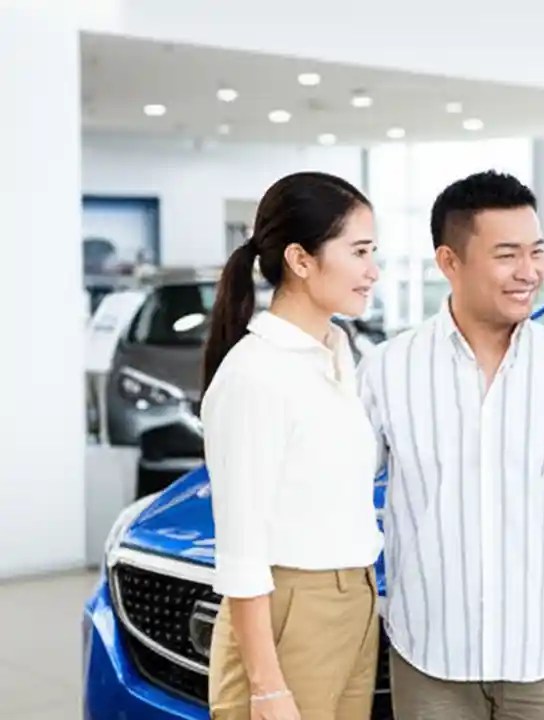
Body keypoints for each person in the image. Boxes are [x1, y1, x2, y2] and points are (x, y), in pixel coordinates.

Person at [357, 170, 544, 720]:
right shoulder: (388, 369)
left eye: (536, 251)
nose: (529, 271)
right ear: (449, 262)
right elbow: (344, 496)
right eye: (507, 255)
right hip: (428, 655)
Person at [200, 171, 384, 720]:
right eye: (359, 252)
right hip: (289, 610)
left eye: (372, 253)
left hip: (355, 599)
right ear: (301, 260)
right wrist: (265, 685)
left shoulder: (338, 353)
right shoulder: (255, 374)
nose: (372, 271)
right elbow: (242, 547)